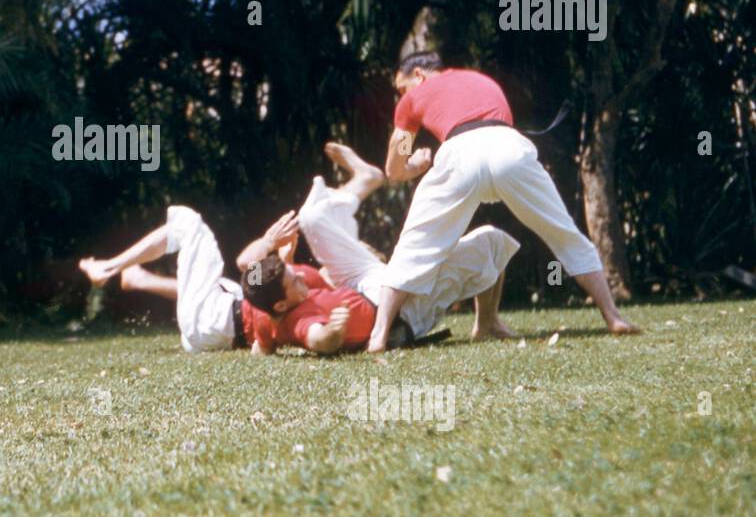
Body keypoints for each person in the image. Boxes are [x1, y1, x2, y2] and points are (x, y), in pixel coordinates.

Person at [367, 52, 639, 351]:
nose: (401, 95)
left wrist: (412, 168)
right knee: (563, 232)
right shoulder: (480, 80)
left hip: (460, 157)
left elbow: (395, 163)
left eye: (402, 87)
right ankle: (613, 317)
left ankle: (379, 336)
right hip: (509, 150)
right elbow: (489, 127)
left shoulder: (413, 99)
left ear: (418, 75)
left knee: (415, 245)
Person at [294, 141, 520, 343]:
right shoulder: (287, 317)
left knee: (313, 218)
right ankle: (367, 180)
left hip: (369, 281)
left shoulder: (282, 287)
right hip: (394, 300)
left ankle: (487, 322)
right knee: (492, 240)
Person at [78, 206, 365, 356]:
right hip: (215, 336)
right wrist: (283, 259)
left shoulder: (304, 302)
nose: (304, 276)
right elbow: (270, 293)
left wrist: (268, 242)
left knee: (189, 224)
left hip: (215, 319)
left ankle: (108, 268)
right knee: (224, 286)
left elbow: (245, 265)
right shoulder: (305, 293)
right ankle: (140, 279)